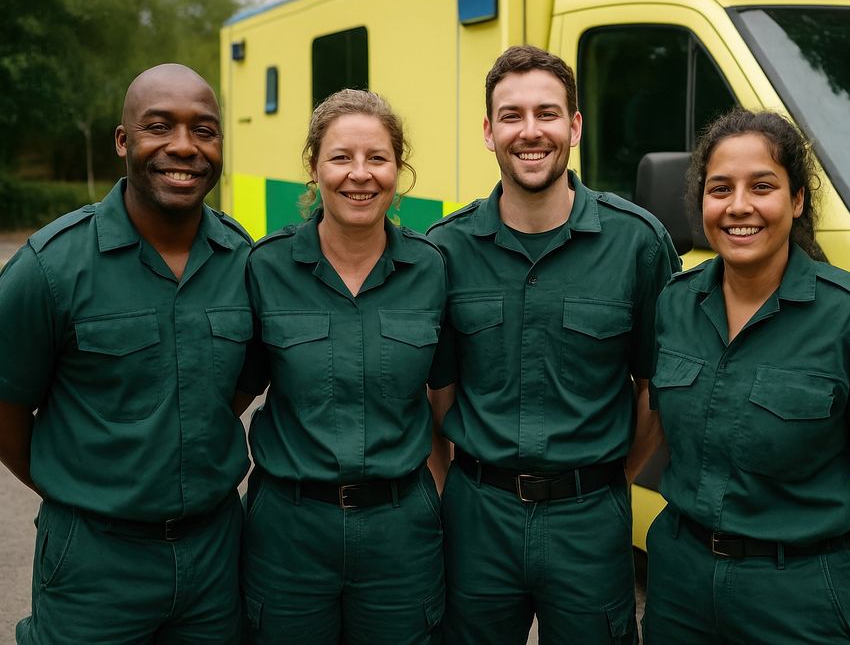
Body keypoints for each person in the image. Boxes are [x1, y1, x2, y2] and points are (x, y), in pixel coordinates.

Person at [642, 108, 850, 644]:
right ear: (701, 202)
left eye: (763, 186)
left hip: (799, 600)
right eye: (720, 188)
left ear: (797, 200)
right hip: (678, 587)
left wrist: (823, 573)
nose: (738, 207)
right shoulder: (674, 305)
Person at [427, 45, 680, 645]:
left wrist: (606, 480)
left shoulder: (639, 244)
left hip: (589, 518)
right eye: (511, 116)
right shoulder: (445, 249)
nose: (530, 131)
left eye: (547, 113)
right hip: (477, 515)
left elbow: (658, 390)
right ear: (489, 132)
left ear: (574, 126)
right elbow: (437, 392)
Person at [0, 63, 254, 644]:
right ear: (123, 141)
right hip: (95, 565)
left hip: (216, 558)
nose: (184, 147)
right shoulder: (51, 266)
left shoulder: (242, 258)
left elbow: (233, 388)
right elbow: (6, 408)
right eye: (158, 127)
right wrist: (84, 497)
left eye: (204, 130)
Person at [238, 88, 446, 644]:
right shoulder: (264, 267)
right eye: (340, 157)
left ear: (398, 169)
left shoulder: (432, 270)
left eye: (377, 158)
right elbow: (228, 393)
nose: (360, 175)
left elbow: (445, 399)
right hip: (289, 533)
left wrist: (440, 504)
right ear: (314, 167)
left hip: (400, 533)